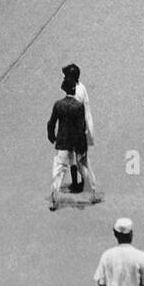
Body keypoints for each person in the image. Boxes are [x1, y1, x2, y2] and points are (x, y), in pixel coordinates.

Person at [47, 71, 100, 210]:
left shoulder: (58, 105)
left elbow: (51, 123)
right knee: (85, 167)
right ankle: (93, 193)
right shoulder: (78, 106)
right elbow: (81, 127)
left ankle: (54, 198)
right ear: (74, 89)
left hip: (63, 142)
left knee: (58, 170)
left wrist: (52, 136)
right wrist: (82, 145)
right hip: (76, 142)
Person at [93, 218, 144, 286]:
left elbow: (101, 283)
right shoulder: (141, 256)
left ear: (115, 234)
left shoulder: (106, 256)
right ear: (131, 234)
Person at [62, 62, 94, 195]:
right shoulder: (81, 87)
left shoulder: (75, 93)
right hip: (83, 128)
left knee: (74, 159)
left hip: (76, 130)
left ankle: (82, 184)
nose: (63, 78)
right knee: (80, 159)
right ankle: (82, 183)